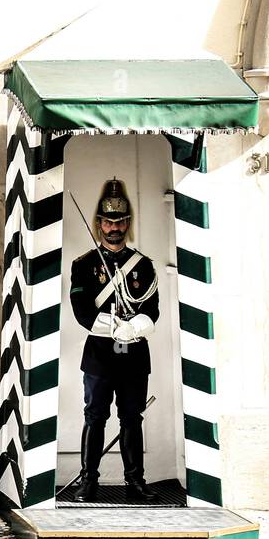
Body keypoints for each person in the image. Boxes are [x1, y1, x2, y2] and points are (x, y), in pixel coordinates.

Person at [69, 178, 160, 504]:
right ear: (99, 223)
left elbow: (153, 309)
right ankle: (87, 483)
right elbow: (81, 311)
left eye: (120, 221)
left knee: (132, 418)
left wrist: (134, 327)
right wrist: (113, 327)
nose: (114, 228)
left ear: (127, 223)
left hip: (134, 355)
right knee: (95, 416)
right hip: (99, 355)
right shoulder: (83, 266)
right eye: (108, 221)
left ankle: (136, 483)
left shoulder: (144, 266)